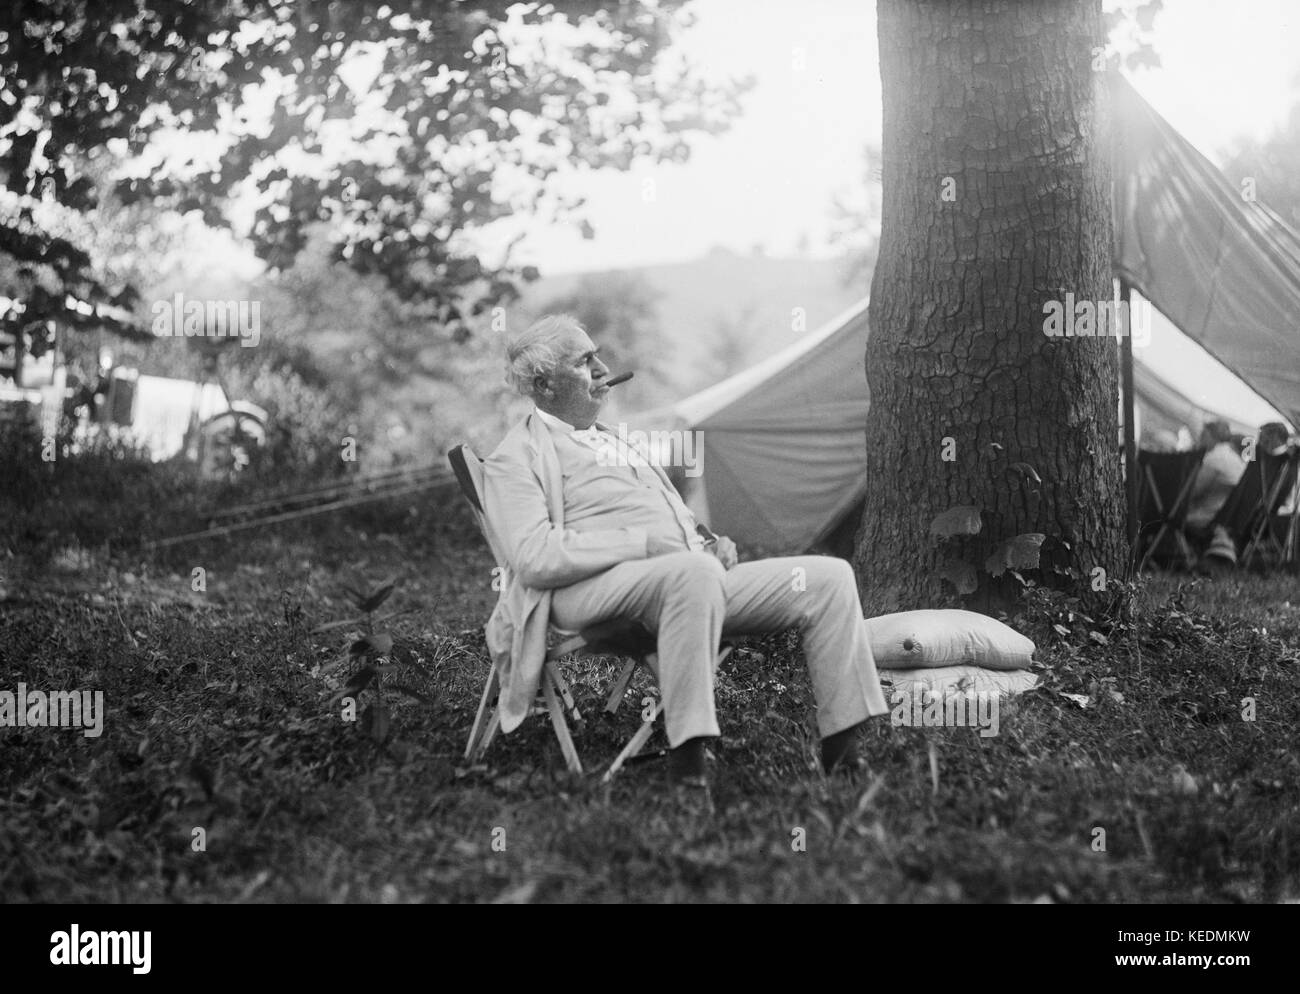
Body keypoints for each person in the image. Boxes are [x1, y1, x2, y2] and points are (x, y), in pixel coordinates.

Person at [480, 314, 888, 797]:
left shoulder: (614, 438)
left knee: (828, 577)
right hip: (588, 594)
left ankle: (843, 754)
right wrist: (645, 545)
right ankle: (689, 767)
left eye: (597, 356)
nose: (602, 367)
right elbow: (533, 557)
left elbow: (670, 519)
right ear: (544, 384)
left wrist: (707, 543)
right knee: (690, 573)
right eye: (584, 361)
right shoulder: (517, 456)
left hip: (686, 580)